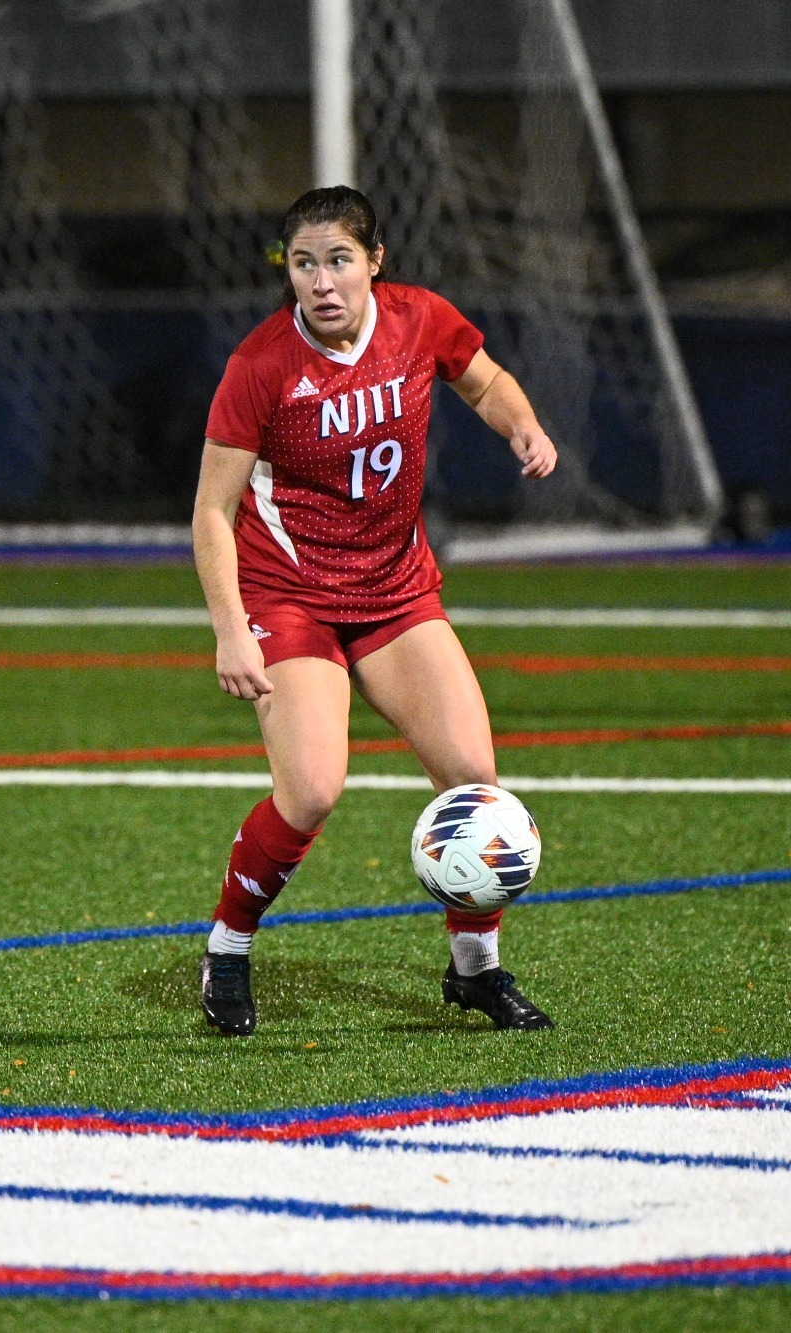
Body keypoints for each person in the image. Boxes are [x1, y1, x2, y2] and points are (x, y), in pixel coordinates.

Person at [192, 187, 559, 1037]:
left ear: (375, 262)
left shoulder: (417, 318)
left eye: (338, 260)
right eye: (303, 263)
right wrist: (228, 629)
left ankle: (476, 972)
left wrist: (523, 425)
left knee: (476, 782)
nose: (321, 281)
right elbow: (212, 512)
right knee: (313, 790)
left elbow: (486, 379)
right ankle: (229, 946)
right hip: (291, 596)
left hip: (395, 589)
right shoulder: (260, 365)